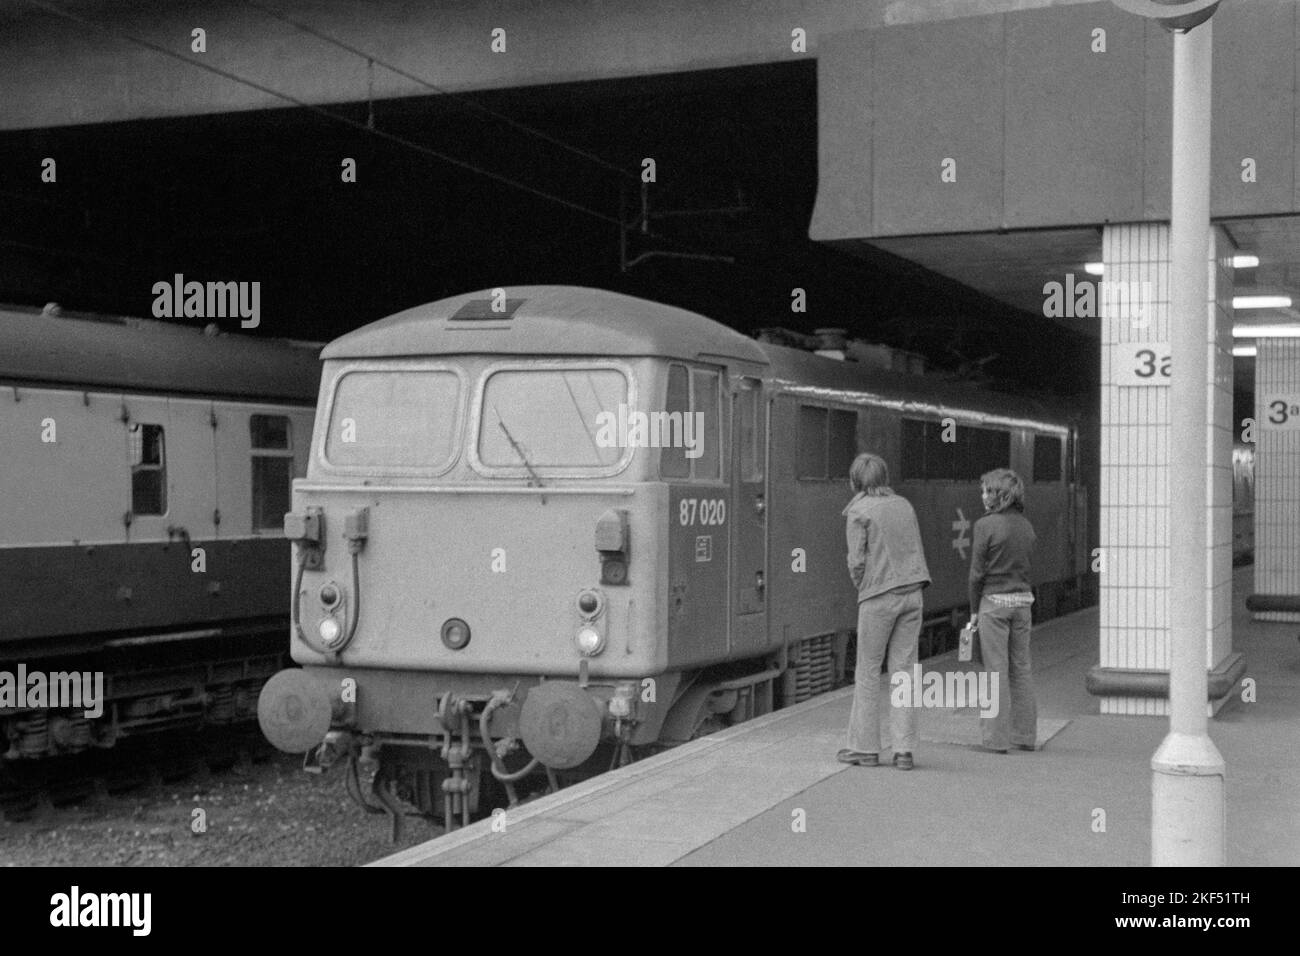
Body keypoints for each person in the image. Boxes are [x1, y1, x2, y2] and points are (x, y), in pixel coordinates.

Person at [839, 453, 931, 770]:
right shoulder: (904, 505)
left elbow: (856, 561)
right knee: (904, 671)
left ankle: (865, 749)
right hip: (913, 594)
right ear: (885, 476)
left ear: (855, 480)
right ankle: (904, 751)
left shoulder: (858, 511)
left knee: (867, 670)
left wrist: (863, 586)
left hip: (879, 596)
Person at [969, 468, 1038, 754]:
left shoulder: (986, 526)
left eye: (987, 491)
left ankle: (995, 740)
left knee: (995, 671)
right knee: (1021, 669)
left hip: (994, 605)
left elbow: (976, 574)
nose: (983, 495)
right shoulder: (1026, 526)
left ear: (1000, 495)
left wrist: (974, 610)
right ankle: (1024, 736)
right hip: (1023, 604)